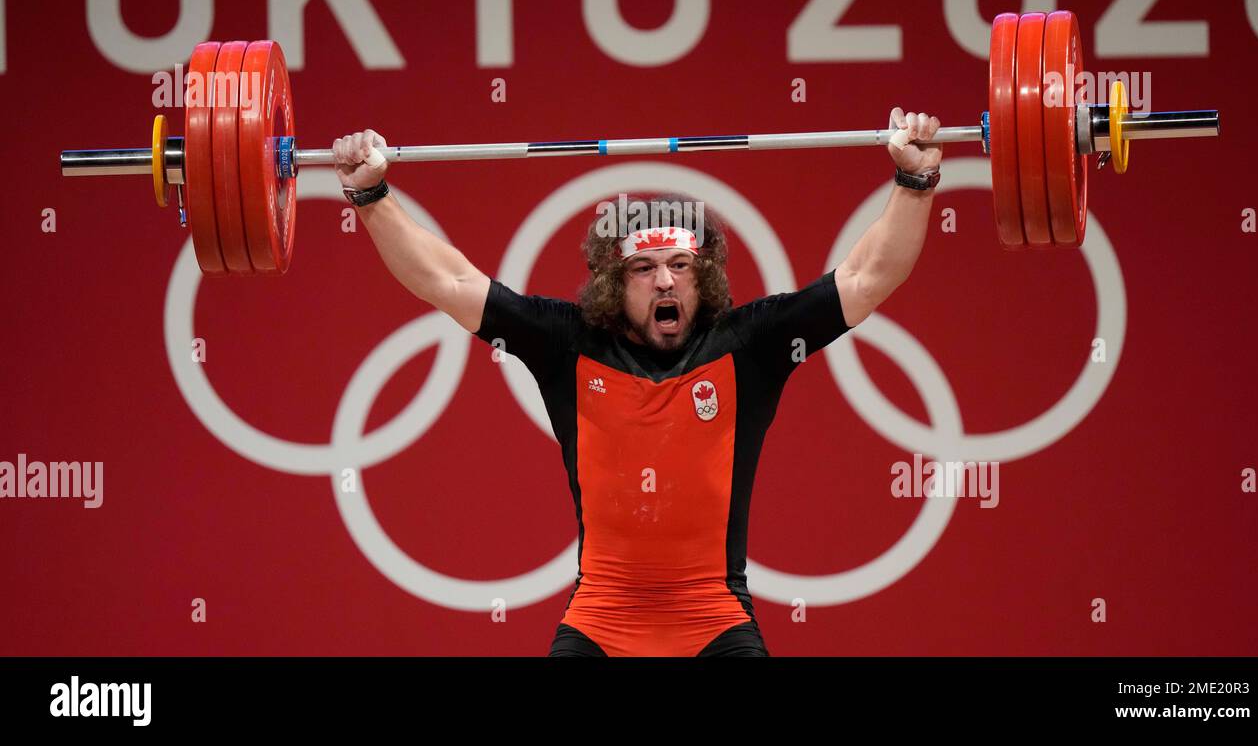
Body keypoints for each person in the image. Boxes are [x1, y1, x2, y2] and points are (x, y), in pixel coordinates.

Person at [332, 108, 942, 656]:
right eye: (644, 269)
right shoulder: (565, 344)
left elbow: (866, 278)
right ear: (612, 285)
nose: (666, 283)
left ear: (702, 278)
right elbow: (449, 282)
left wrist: (914, 183)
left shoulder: (752, 346)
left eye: (680, 266)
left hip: (716, 623)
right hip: (600, 621)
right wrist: (371, 195)